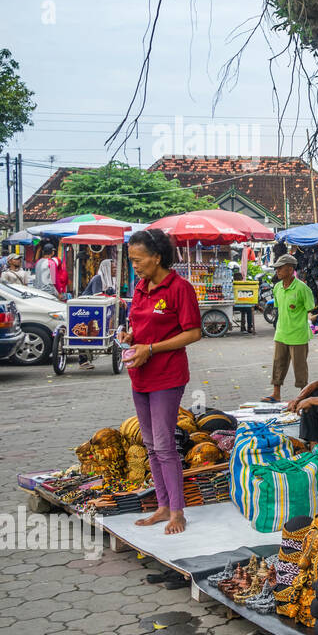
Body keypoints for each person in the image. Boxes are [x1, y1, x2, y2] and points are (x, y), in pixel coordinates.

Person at [123, 228, 203, 535]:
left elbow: (193, 332)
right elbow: (140, 327)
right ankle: (162, 506)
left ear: (157, 257)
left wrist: (152, 348)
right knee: (150, 445)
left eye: (138, 259)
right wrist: (130, 338)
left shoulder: (179, 288)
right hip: (139, 375)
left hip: (167, 375)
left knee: (165, 445)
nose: (135, 266)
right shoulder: (141, 287)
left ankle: (178, 512)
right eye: (132, 260)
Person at [265, 254, 316, 402]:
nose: (277, 271)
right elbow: (279, 309)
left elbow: (309, 309)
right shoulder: (277, 287)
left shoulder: (302, 288)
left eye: (280, 268)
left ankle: (303, 395)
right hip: (281, 333)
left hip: (298, 334)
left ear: (290, 269)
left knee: (300, 367)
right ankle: (276, 393)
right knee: (278, 365)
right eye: (277, 269)